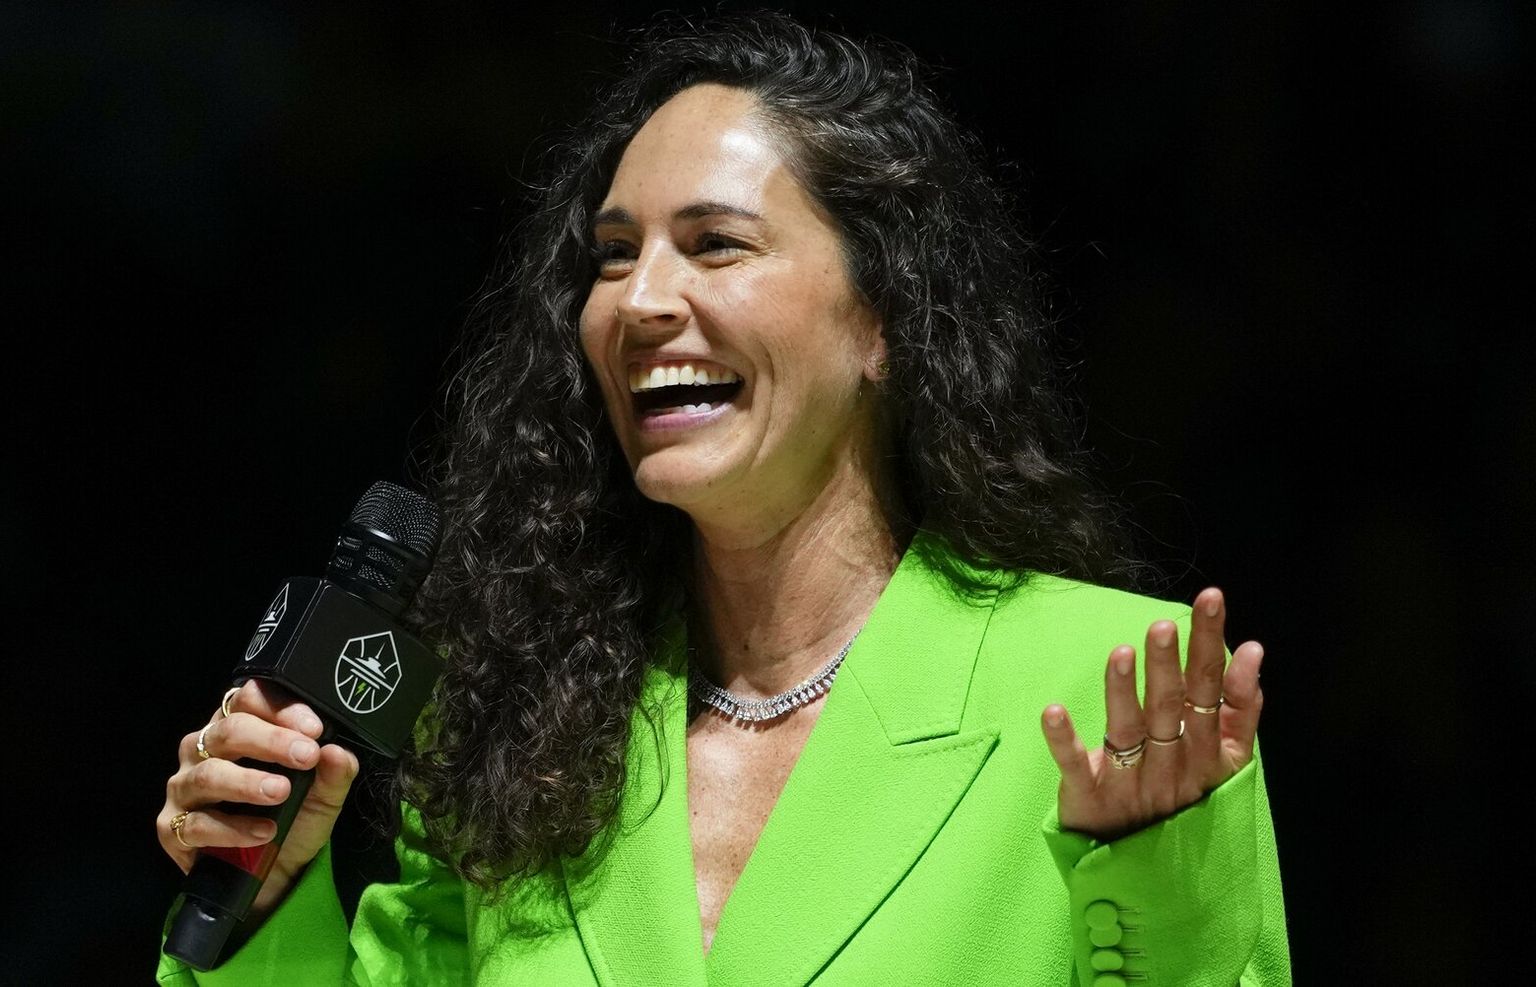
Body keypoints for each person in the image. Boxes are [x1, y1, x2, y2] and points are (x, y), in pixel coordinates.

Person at [157, 13, 1290, 985]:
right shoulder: (513, 723)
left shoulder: (1117, 686)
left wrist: (1162, 889)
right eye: (611, 254)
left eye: (716, 244)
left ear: (884, 319)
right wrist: (266, 903)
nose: (640, 299)